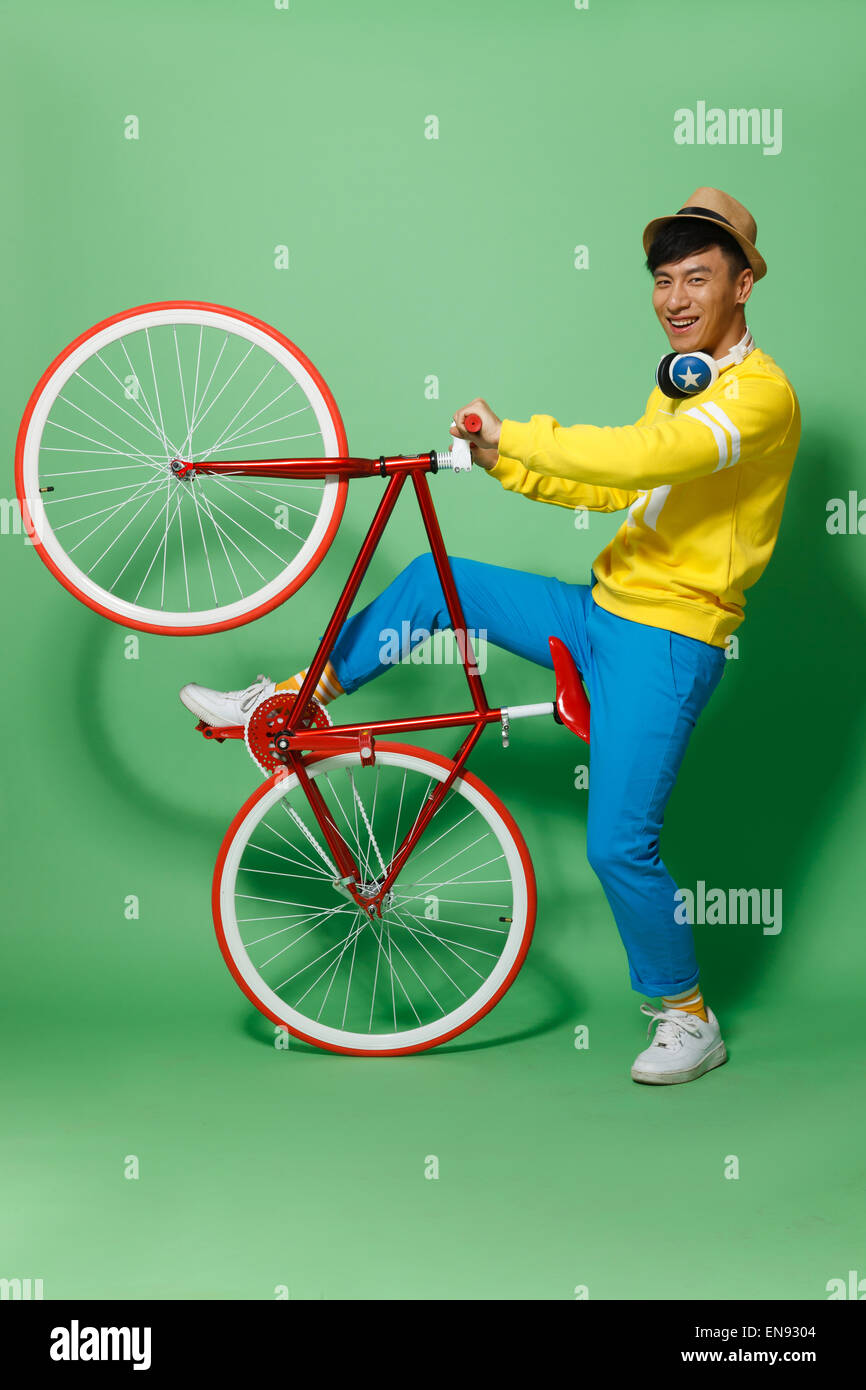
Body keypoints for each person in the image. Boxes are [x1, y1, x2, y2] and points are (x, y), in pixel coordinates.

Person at [180, 186, 801, 1085]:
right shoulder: (684, 382)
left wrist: (525, 433)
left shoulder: (760, 397)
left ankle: (688, 1017)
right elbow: (612, 487)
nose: (674, 299)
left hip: (665, 643)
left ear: (743, 285)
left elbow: (643, 457)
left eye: (697, 278)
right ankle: (289, 702)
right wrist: (501, 458)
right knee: (440, 579)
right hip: (599, 610)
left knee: (617, 845)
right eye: (663, 280)